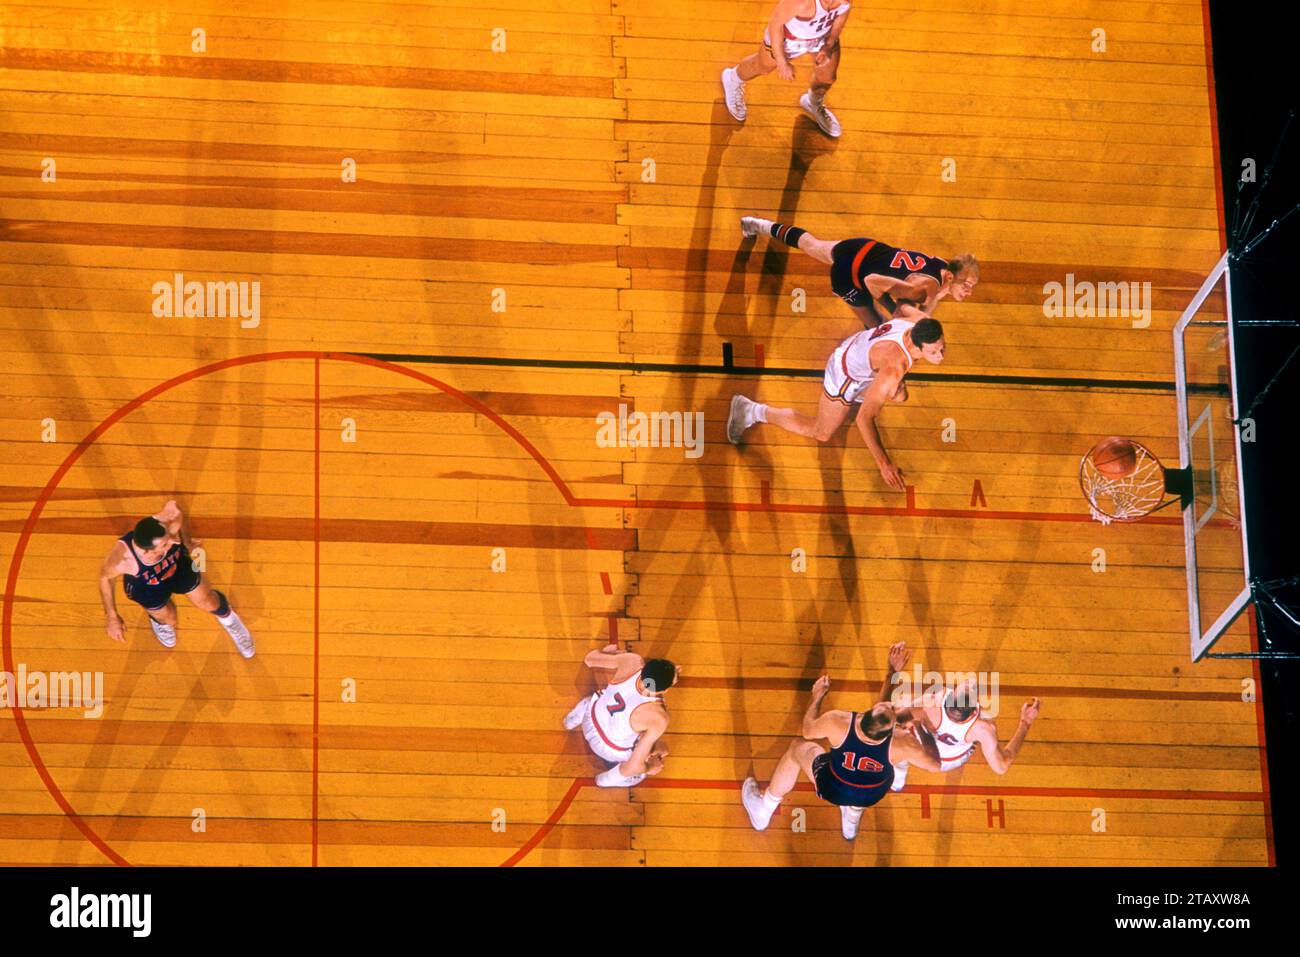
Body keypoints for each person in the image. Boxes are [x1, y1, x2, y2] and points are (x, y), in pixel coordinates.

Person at [727, 309, 945, 491]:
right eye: (934, 352)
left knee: (899, 395)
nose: (941, 356)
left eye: (942, 348)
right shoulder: (894, 367)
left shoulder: (919, 321)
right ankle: (750, 410)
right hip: (844, 374)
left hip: (857, 346)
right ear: (916, 347)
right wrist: (884, 463)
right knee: (821, 431)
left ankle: (866, 391)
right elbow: (864, 419)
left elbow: (902, 307)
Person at [741, 642, 940, 840]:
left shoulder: (839, 722)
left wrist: (817, 697)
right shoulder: (901, 742)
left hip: (835, 787)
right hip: (872, 793)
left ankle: (764, 809)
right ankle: (851, 820)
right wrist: (922, 726)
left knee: (797, 748)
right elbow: (934, 765)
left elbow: (808, 730)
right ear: (891, 729)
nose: (891, 704)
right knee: (867, 780)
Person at [740, 216, 979, 327]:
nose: (969, 291)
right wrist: (891, 307)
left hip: (864, 247)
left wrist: (922, 317)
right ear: (950, 276)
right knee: (877, 325)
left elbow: (929, 303)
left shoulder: (940, 266)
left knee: (811, 244)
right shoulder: (924, 289)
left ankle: (755, 224)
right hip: (851, 273)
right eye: (966, 284)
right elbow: (872, 282)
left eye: (971, 287)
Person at [98, 500, 254, 658]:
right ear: (147, 552)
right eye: (166, 544)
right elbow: (105, 578)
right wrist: (111, 616)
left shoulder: (167, 521)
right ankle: (159, 621)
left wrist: (186, 542)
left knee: (209, 601)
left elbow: (175, 507)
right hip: (146, 585)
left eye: (170, 536)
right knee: (169, 619)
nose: (174, 541)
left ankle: (230, 620)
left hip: (177, 565)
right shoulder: (123, 559)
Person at [721, 0, 853, 137]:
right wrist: (781, 62)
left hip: (820, 37)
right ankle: (732, 79)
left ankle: (813, 102)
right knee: (762, 67)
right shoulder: (801, 2)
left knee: (827, 77)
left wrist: (829, 44)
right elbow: (775, 24)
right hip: (788, 40)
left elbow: (842, 13)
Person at [563, 644, 677, 787]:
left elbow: (590, 659)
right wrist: (650, 767)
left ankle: (570, 721)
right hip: (608, 750)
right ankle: (605, 780)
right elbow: (633, 766)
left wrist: (607, 653)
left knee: (595, 700)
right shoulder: (658, 718)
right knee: (661, 750)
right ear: (665, 689)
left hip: (590, 718)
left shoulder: (632, 661)